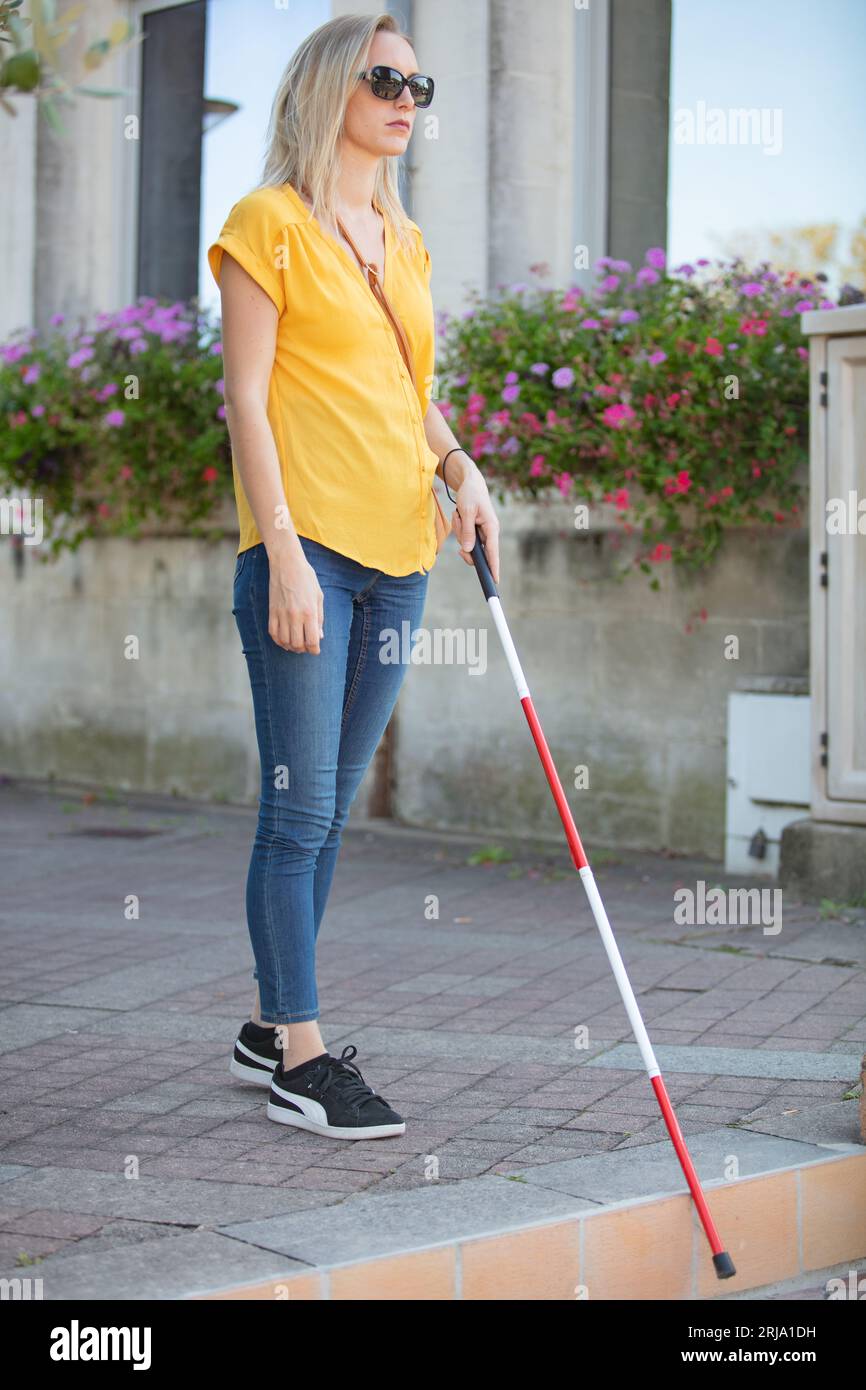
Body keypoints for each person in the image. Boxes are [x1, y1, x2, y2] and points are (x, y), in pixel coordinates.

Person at [207, 12, 500, 1141]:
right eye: (384, 79)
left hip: (401, 559)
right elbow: (246, 398)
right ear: (330, 87)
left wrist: (459, 466)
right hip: (307, 554)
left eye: (417, 84)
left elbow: (406, 389)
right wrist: (278, 550)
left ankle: (262, 1025)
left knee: (327, 816)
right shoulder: (265, 226)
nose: (404, 99)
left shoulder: (402, 238)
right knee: (298, 812)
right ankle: (303, 1058)